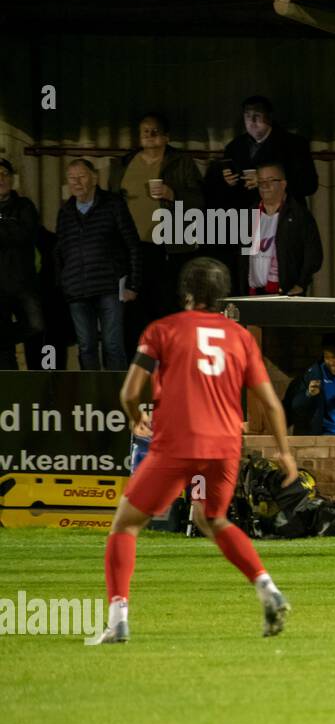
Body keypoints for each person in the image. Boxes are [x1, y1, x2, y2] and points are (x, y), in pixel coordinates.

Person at [91, 258, 295, 643]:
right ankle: (268, 588)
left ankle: (118, 620)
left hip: (178, 444)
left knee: (125, 525)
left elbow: (130, 392)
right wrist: (285, 453)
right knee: (211, 518)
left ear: (186, 292)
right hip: (224, 446)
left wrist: (136, 417)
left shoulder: (163, 329)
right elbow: (270, 403)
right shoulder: (241, 337)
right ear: (222, 297)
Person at [203, 96, 319, 295]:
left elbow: (309, 184)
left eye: (257, 116)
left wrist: (267, 183)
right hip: (249, 222)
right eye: (247, 117)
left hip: (283, 219)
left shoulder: (293, 145)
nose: (252, 122)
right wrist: (228, 182)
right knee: (248, 281)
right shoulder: (235, 147)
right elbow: (221, 193)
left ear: (270, 118)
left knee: (283, 278)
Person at [108, 113, 204, 348]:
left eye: (154, 131)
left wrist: (174, 195)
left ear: (166, 136)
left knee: (166, 307)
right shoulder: (125, 163)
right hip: (132, 248)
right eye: (144, 131)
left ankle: (169, 364)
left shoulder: (180, 162)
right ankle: (138, 367)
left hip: (166, 247)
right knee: (133, 310)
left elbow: (201, 201)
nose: (149, 136)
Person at [54, 159, 141, 370]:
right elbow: (59, 252)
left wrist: (133, 285)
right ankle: (91, 397)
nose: (76, 182)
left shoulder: (113, 204)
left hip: (110, 287)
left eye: (81, 176)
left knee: (112, 345)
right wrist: (63, 282)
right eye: (71, 178)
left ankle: (117, 398)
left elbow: (133, 245)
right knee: (86, 347)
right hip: (77, 290)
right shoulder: (65, 212)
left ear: (94, 178)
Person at [247, 162, 323, 296]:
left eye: (271, 180)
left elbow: (314, 253)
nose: (265, 186)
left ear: (283, 184)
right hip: (253, 294)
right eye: (261, 181)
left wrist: (301, 283)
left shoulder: (299, 215)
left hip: (286, 294)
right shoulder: (249, 215)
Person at [0, 158, 44, 369]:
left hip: (23, 284)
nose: (0, 179)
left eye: (4, 174)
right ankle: (11, 385)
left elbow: (25, 234)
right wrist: (10, 227)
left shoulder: (25, 205)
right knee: (4, 354)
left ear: (12, 179)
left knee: (37, 325)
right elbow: (15, 233)